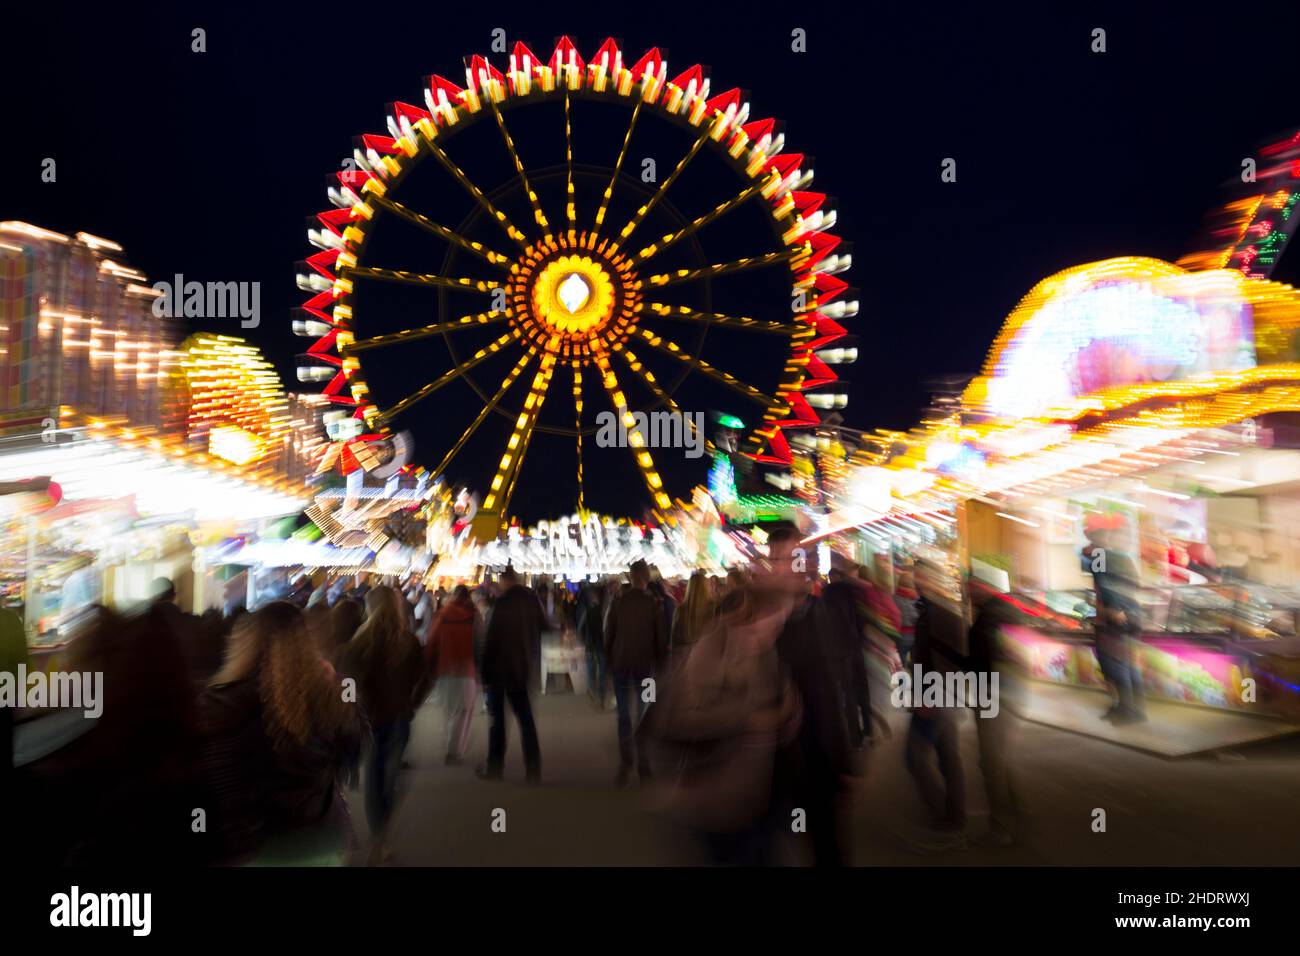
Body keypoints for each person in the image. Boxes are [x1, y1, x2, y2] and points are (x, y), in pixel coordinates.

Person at [197, 601, 364, 864]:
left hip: (257, 846)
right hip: (321, 839)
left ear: (248, 642)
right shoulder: (325, 696)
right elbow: (352, 748)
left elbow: (214, 783)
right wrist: (341, 691)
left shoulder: (225, 702)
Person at [764, 528, 855, 866]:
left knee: (826, 849)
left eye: (794, 558)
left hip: (818, 766)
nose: (787, 567)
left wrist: (844, 763)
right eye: (777, 559)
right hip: (771, 766)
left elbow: (836, 692)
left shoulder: (823, 614)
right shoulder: (759, 620)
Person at [336, 586, 428, 863]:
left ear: (370, 608)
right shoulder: (409, 642)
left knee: (375, 779)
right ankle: (382, 834)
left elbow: (349, 682)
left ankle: (380, 835)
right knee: (390, 779)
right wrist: (412, 702)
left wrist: (352, 708)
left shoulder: (360, 643)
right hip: (400, 718)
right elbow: (423, 677)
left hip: (372, 720)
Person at [903, 575, 967, 847]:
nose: (916, 586)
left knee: (915, 755)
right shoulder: (934, 612)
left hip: (936, 694)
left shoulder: (936, 614)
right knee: (948, 755)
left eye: (919, 581)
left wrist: (927, 696)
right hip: (943, 693)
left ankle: (945, 817)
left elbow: (936, 659)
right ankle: (955, 816)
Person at [478, 567, 545, 784]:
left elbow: (492, 639)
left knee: (497, 721)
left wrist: (485, 672)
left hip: (500, 669)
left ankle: (495, 766)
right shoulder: (531, 601)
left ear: (505, 581)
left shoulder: (503, 603)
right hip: (522, 668)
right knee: (526, 721)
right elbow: (545, 625)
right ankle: (533, 769)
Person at [605, 560, 668, 787]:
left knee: (623, 715)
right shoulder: (654, 604)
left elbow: (609, 635)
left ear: (631, 577)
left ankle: (625, 763)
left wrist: (608, 665)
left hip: (621, 665)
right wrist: (662, 666)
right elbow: (661, 639)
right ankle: (643, 763)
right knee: (645, 714)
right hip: (647, 668)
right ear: (646, 578)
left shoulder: (618, 603)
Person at [1082, 517, 1146, 723]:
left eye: (1093, 536)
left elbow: (1104, 584)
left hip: (1115, 617)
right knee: (1129, 665)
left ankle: (1126, 711)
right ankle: (1137, 711)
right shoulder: (1126, 557)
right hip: (1134, 615)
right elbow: (1135, 584)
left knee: (1117, 666)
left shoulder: (1099, 554)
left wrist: (1114, 609)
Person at [428, 585, 479, 765]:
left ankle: (450, 746)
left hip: (445, 669)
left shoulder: (443, 614)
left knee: (449, 711)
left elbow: (431, 641)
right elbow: (480, 643)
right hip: (467, 670)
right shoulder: (474, 615)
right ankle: (454, 751)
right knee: (463, 713)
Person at [821, 576, 872, 750]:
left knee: (848, 694)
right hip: (855, 647)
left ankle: (855, 737)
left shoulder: (827, 596)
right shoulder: (851, 593)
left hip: (839, 653)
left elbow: (826, 628)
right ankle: (869, 729)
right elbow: (861, 621)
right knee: (862, 690)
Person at [576, 582, 608, 708]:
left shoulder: (587, 607)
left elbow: (580, 622)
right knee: (597, 664)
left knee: (596, 664)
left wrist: (580, 634)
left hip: (594, 638)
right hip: (595, 638)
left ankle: (596, 691)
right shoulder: (601, 606)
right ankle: (597, 692)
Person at [671, 571, 715, 650]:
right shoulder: (714, 608)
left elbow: (675, 639)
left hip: (686, 656)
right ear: (707, 588)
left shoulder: (680, 610)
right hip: (709, 652)